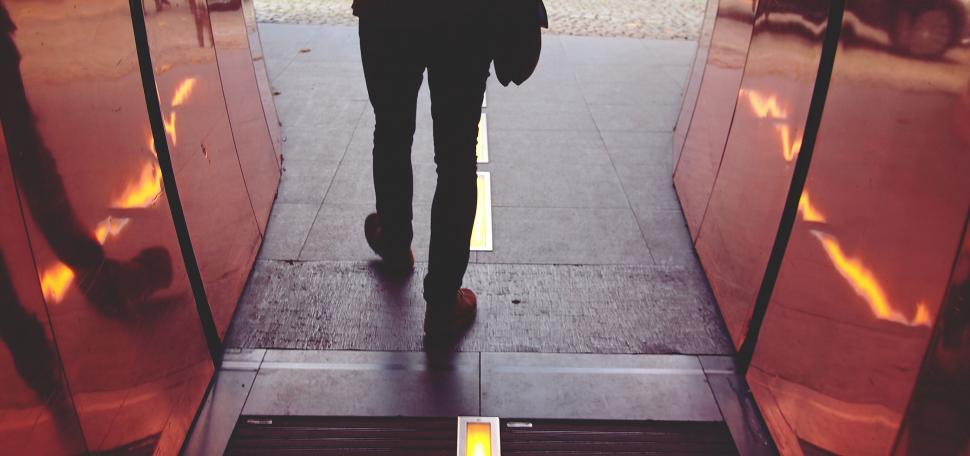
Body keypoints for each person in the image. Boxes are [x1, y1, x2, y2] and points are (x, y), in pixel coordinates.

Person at [352, 0, 490, 341]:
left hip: (387, 13)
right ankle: (442, 303)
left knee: (391, 130)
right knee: (457, 157)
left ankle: (396, 241)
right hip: (465, 19)